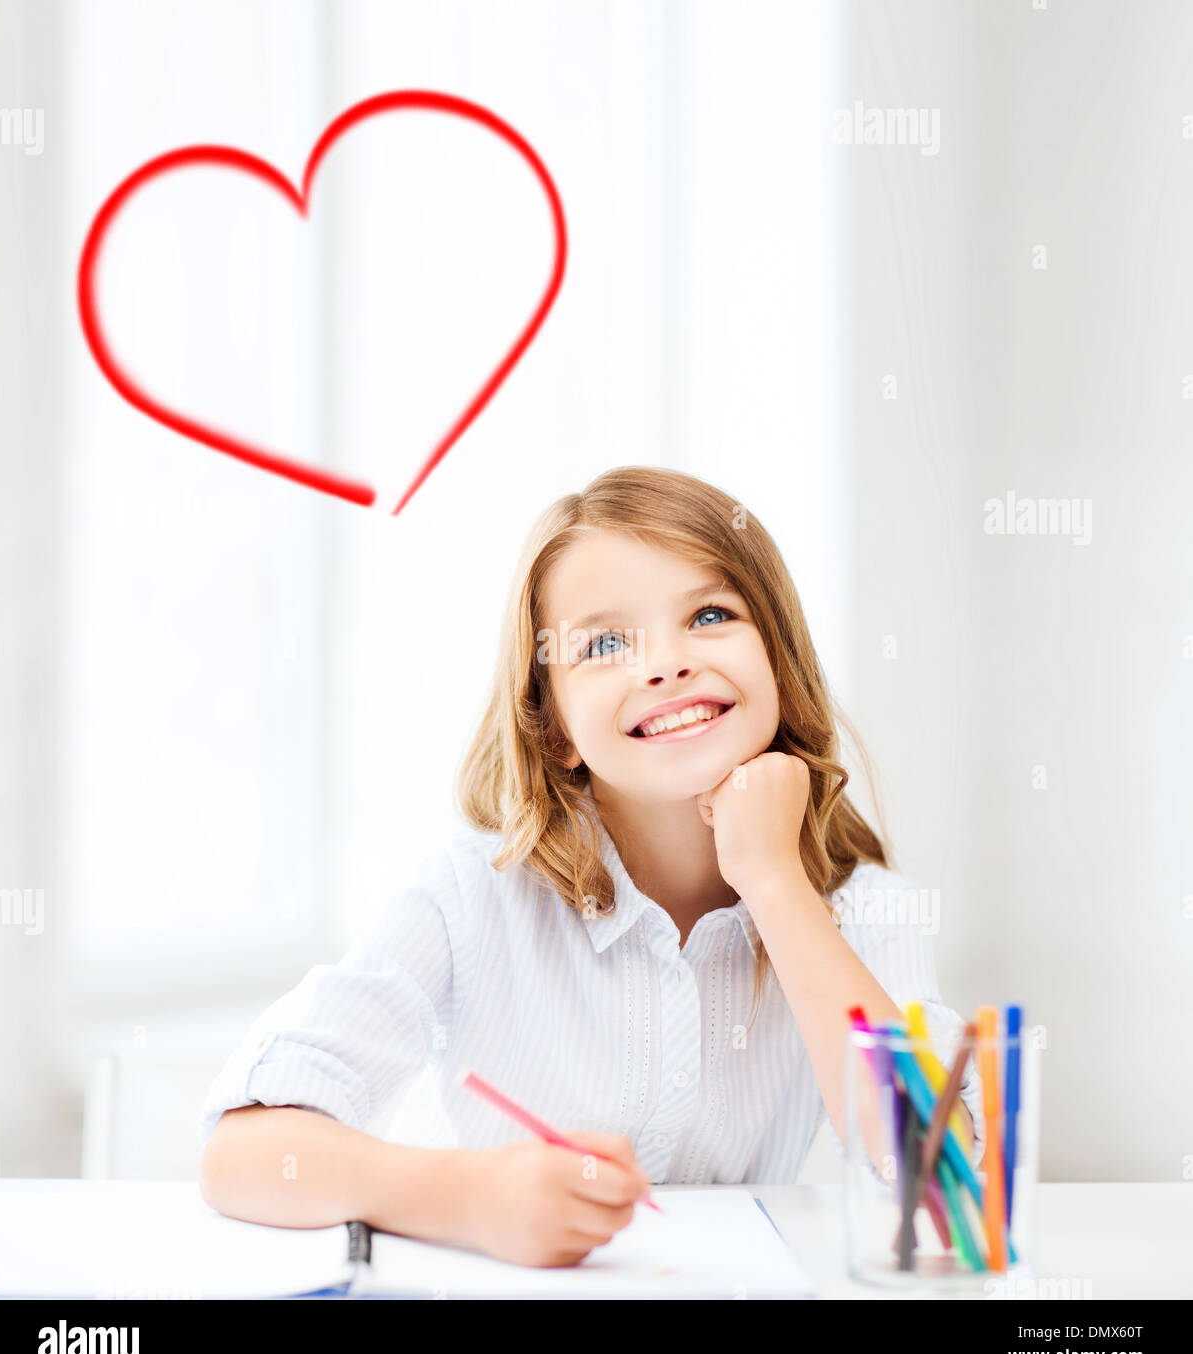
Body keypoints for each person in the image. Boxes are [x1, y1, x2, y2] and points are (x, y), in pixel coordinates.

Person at [198, 466, 984, 1268]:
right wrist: (472, 1199)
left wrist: (777, 885)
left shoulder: (864, 910)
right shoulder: (469, 897)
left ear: (777, 662)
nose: (666, 664)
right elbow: (242, 1155)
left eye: (709, 614)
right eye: (605, 643)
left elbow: (936, 1179)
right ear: (555, 732)